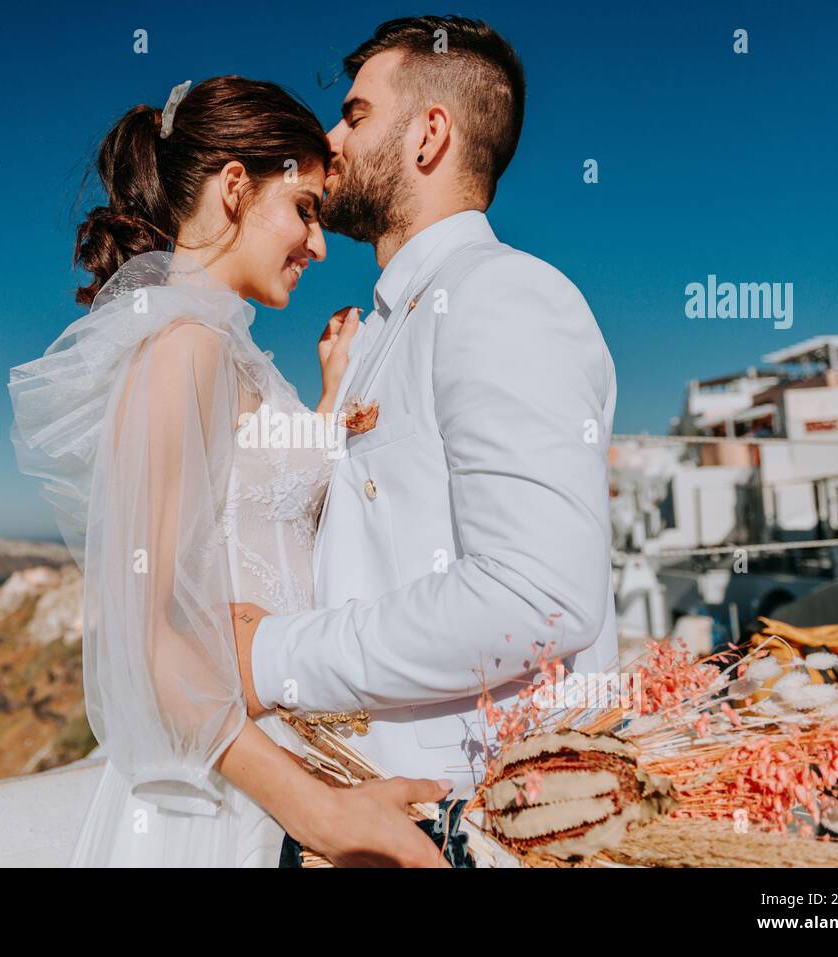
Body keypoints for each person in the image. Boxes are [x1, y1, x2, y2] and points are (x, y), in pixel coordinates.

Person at [9, 75, 451, 867]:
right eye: (306, 209)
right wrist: (322, 814)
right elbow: (152, 641)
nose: (320, 244)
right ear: (236, 187)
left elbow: (249, 512)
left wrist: (325, 409)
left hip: (275, 768)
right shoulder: (185, 347)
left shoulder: (225, 349)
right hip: (218, 802)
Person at [229, 17, 621, 848]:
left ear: (430, 134)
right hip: (388, 817)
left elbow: (537, 594)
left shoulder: (504, 295)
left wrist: (266, 657)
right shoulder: (382, 332)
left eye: (356, 114)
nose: (328, 142)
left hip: (474, 824)